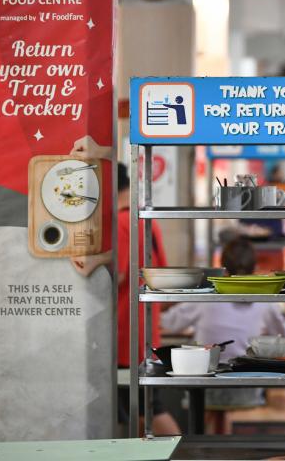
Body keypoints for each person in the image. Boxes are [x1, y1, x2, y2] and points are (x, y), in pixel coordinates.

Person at [161, 237, 285, 433]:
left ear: (222, 265)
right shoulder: (266, 299)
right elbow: (282, 336)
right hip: (247, 386)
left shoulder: (206, 296)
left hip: (205, 383)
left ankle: (203, 444)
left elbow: (169, 323)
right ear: (254, 266)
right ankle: (219, 441)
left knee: (199, 367)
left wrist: (166, 304)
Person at [113, 163, 181, 435]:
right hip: (146, 328)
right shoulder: (146, 221)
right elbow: (162, 273)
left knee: (143, 406)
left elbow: (115, 276)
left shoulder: (120, 223)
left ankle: (175, 451)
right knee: (142, 404)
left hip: (124, 330)